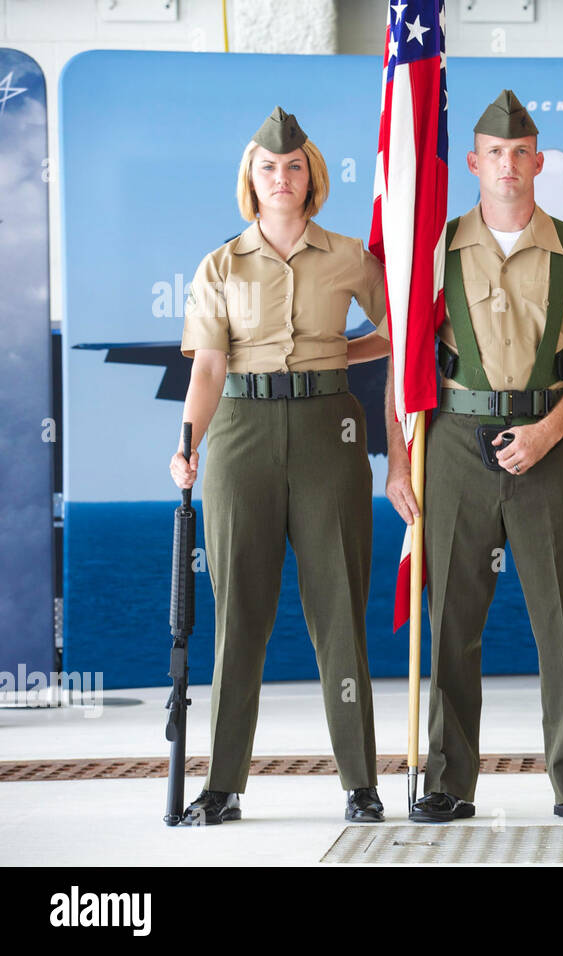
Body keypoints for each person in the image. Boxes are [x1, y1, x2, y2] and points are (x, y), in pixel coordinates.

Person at [383, 90, 563, 823]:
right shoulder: (434, 248)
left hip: (547, 440)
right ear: (473, 163)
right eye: (496, 153)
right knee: (452, 622)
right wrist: (399, 462)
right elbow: (405, 363)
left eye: (521, 153)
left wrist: (545, 434)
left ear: (539, 161)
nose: (509, 165)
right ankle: (446, 782)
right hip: (455, 444)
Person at [170, 106, 391, 825]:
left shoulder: (351, 256)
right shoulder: (219, 264)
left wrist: (337, 354)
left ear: (311, 176)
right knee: (240, 615)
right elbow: (207, 366)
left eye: (293, 166)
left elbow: (395, 329)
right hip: (241, 433)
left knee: (339, 613)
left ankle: (361, 782)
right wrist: (189, 443)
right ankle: (224, 784)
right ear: (251, 180)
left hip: (331, 429)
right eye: (268, 167)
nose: (281, 177)